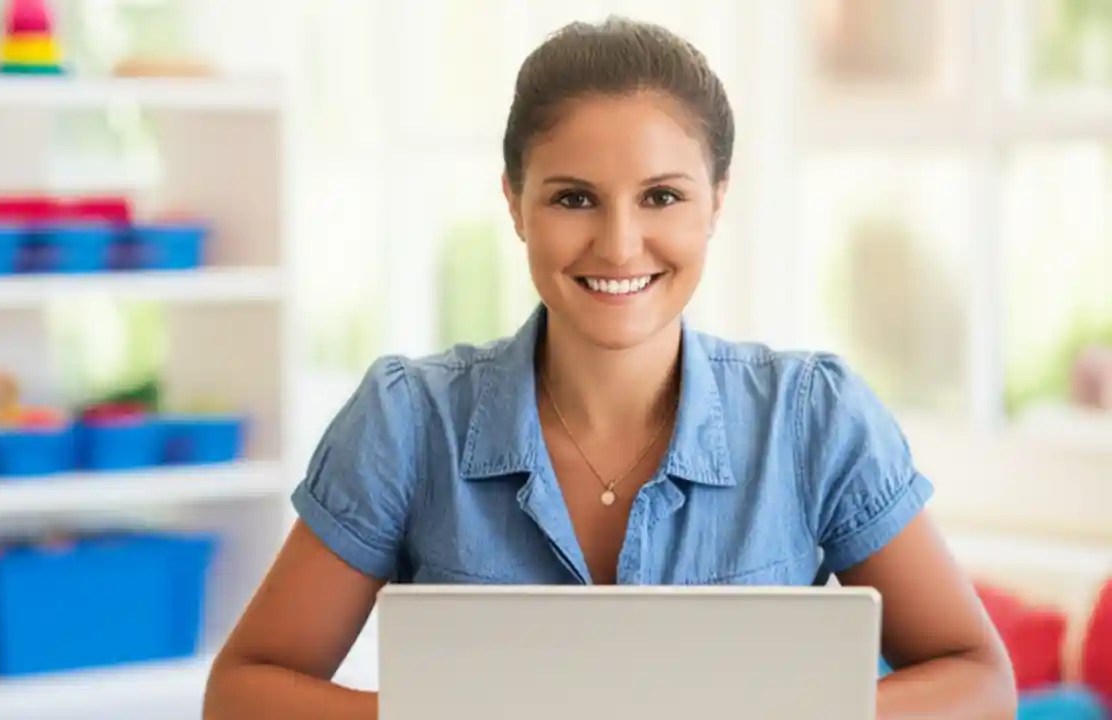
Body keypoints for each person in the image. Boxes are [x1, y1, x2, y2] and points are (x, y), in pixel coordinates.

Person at [204, 17, 1016, 720]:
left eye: (662, 197)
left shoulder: (812, 418)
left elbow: (980, 680)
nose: (620, 245)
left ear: (717, 200)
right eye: (574, 198)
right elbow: (241, 693)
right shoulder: (409, 421)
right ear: (515, 203)